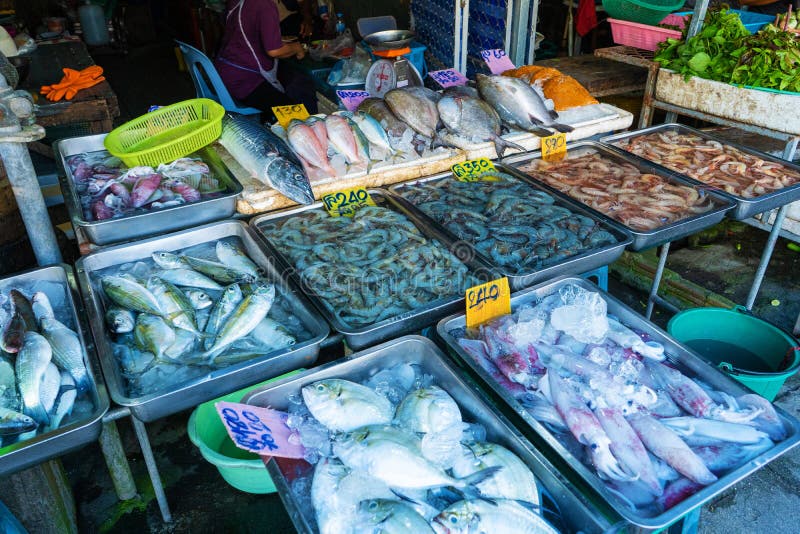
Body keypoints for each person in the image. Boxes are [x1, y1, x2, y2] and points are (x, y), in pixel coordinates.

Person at [215, 0, 318, 118]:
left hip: (223, 73)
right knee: (297, 114)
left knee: (292, 84)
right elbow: (274, 51)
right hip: (243, 81)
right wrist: (297, 48)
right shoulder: (265, 5)